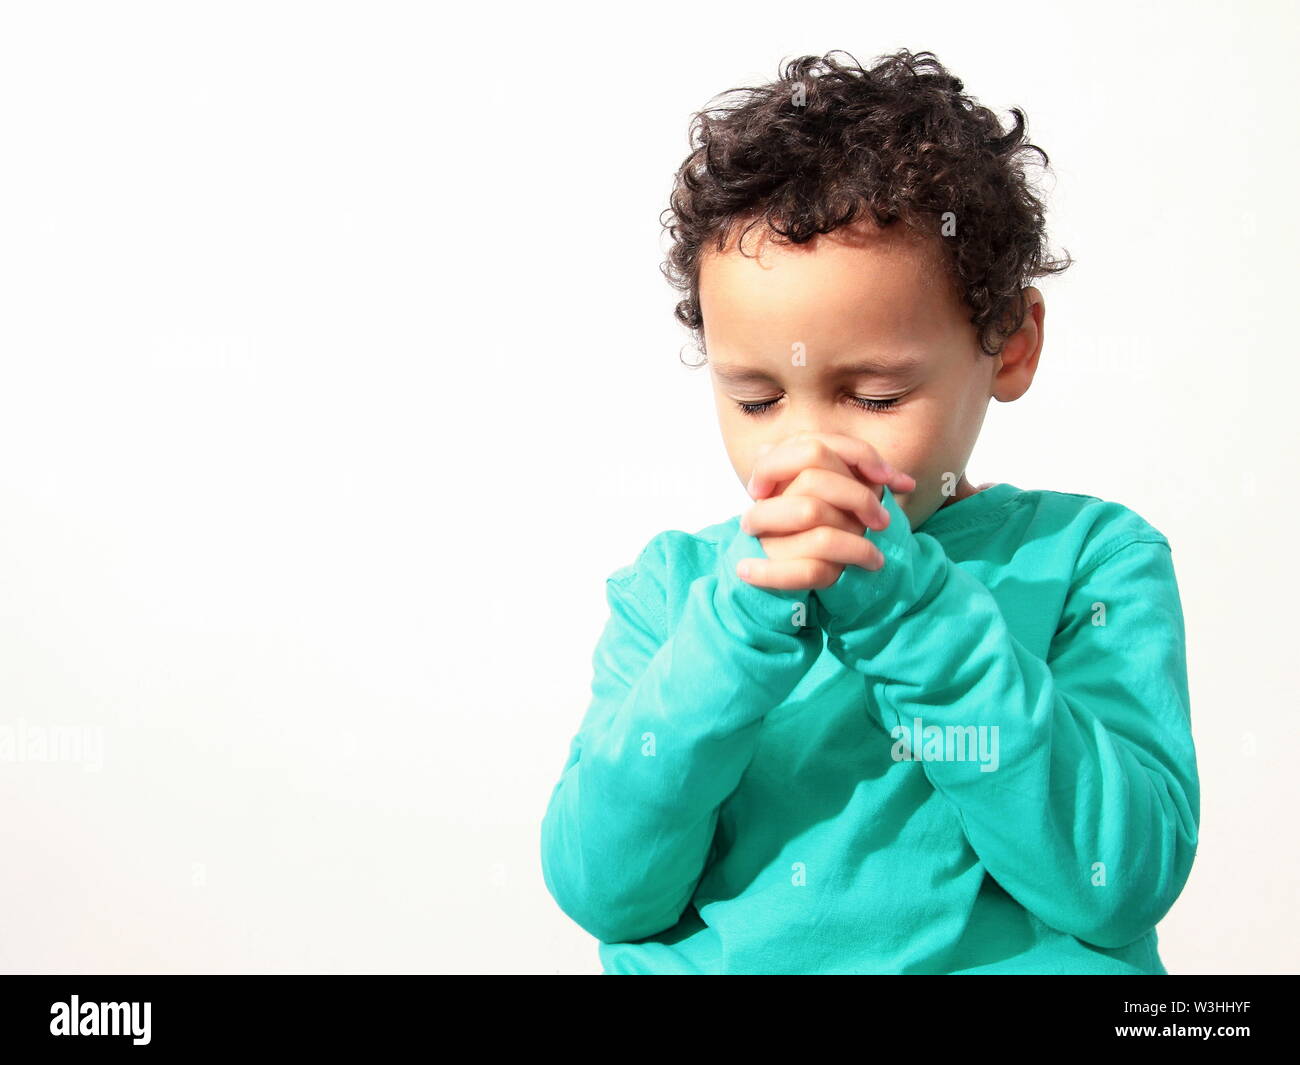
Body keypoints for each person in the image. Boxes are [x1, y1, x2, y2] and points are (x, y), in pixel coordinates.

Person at [539, 48, 1199, 974]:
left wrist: (918, 620)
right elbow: (602, 888)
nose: (807, 450)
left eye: (877, 397)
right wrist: (730, 637)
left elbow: (1120, 878)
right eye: (758, 400)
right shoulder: (672, 593)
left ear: (1009, 344)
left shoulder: (1089, 561)